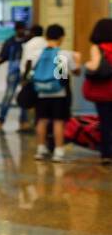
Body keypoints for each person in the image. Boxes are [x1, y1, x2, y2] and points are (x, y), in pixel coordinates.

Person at [30, 24, 80, 162]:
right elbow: (66, 75)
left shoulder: (37, 54)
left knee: (42, 120)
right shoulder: (62, 54)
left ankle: (40, 149)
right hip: (59, 94)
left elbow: (30, 71)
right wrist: (76, 62)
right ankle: (58, 151)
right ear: (62, 37)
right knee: (58, 122)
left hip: (41, 92)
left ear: (46, 37)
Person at [0, 21, 31, 131]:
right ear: (16, 30)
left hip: (25, 72)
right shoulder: (10, 42)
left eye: (23, 29)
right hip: (13, 72)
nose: (22, 31)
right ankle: (1, 120)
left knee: (24, 97)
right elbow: (2, 56)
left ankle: (24, 121)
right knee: (8, 96)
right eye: (20, 29)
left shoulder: (27, 41)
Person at [81, 17, 112, 165]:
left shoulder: (97, 47)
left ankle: (106, 154)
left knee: (105, 123)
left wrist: (86, 65)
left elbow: (93, 66)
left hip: (102, 92)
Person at [18, 24, 47, 136]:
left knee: (28, 101)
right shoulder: (60, 54)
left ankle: (28, 124)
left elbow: (29, 62)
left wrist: (25, 78)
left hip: (31, 77)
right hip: (52, 87)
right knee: (55, 120)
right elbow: (65, 74)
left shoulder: (29, 44)